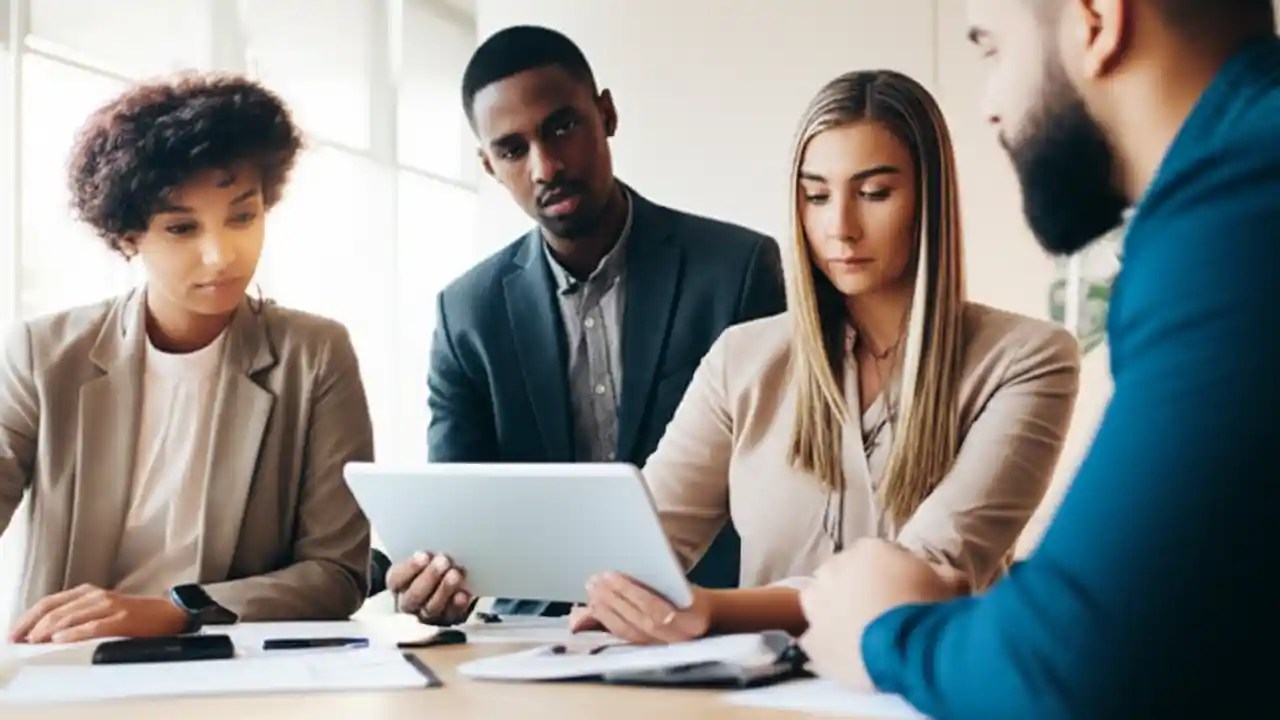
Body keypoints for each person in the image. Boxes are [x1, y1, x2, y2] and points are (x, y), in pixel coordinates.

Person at [798, 1, 1280, 717]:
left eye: (992, 51)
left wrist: (884, 631)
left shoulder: (1239, 209)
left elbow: (1078, 663)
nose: (989, 106)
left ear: (1097, 21)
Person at [570, 69, 1081, 643]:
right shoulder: (741, 360)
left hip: (922, 696)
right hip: (754, 700)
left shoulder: (1029, 359)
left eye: (873, 193)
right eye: (816, 196)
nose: (840, 227)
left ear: (929, 201)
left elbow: (920, 575)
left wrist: (717, 609)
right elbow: (640, 545)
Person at [387, 25, 786, 624]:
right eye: (512, 149)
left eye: (562, 127)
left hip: (705, 622)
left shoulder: (737, 270)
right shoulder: (465, 314)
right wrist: (434, 581)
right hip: (535, 634)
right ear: (488, 165)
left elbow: (782, 483)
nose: (545, 165)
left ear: (607, 113)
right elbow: (459, 518)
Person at [0, 73, 375, 644]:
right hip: (69, 666)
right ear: (128, 237)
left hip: (235, 665)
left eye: (242, 217)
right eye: (181, 227)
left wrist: (179, 611)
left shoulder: (315, 355)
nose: (220, 254)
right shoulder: (44, 353)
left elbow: (337, 574)